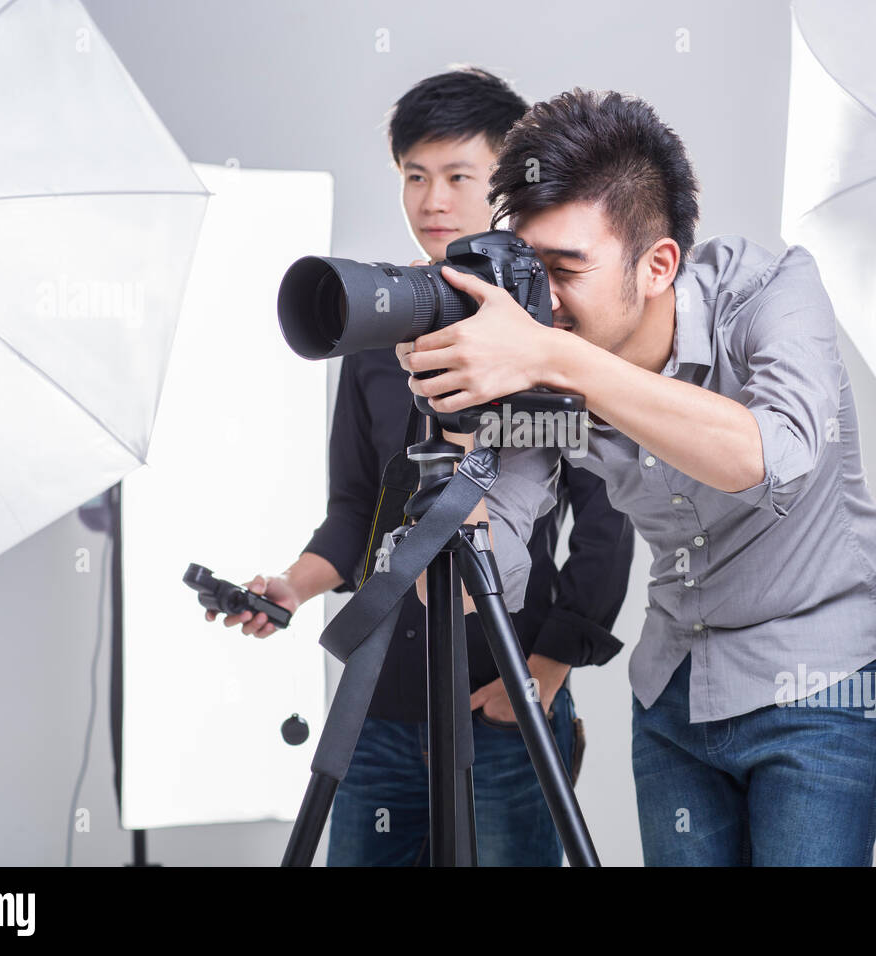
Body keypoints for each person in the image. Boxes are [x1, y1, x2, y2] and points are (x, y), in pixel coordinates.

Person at [397, 88, 876, 866]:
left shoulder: (767, 294)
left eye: (567, 270)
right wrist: (461, 427)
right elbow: (475, 578)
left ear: (659, 263)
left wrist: (556, 359)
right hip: (675, 686)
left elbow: (775, 460)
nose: (544, 301)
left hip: (820, 684)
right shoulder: (548, 380)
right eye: (530, 271)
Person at [209, 68, 634, 866]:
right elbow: (358, 510)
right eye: (414, 176)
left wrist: (538, 673)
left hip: (500, 699)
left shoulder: (553, 327)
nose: (432, 200)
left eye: (457, 176)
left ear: (504, 183)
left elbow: (608, 518)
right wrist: (292, 589)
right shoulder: (375, 327)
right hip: (376, 703)